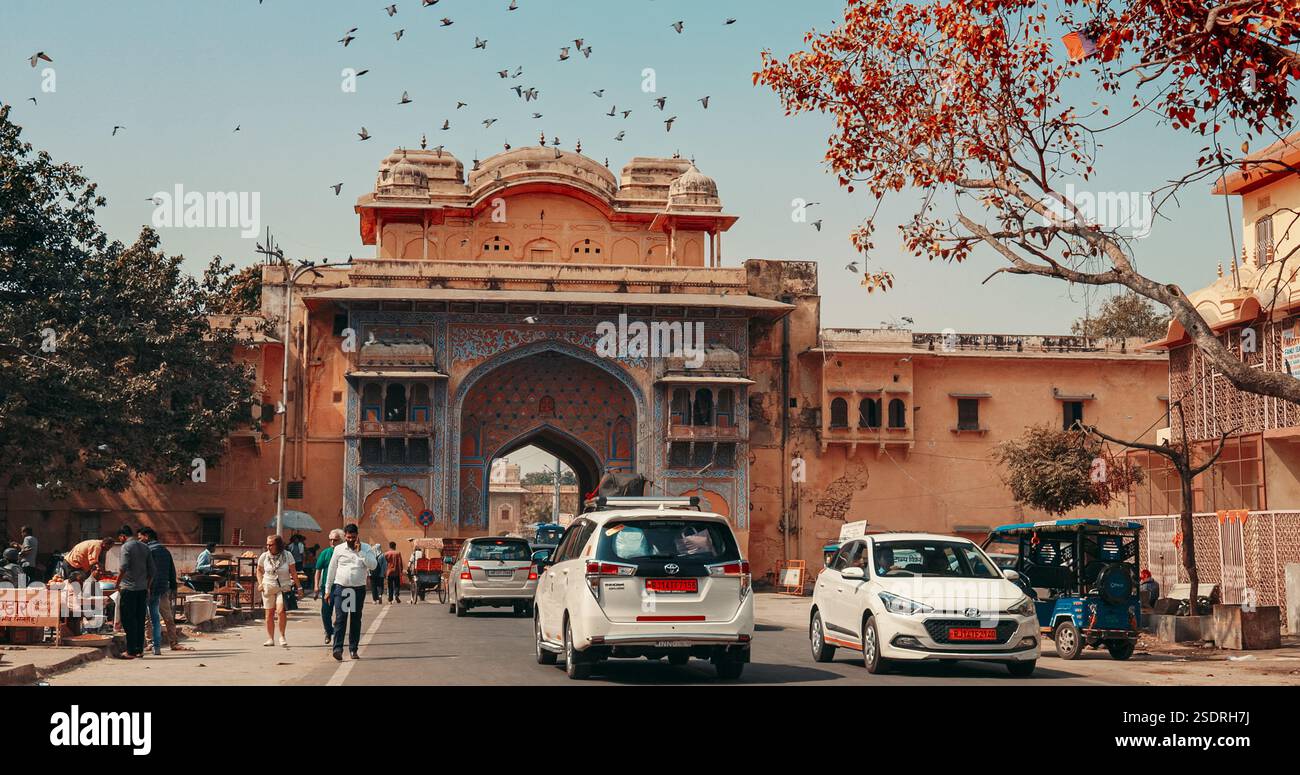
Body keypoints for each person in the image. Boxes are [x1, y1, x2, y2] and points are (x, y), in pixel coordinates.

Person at [325, 524, 376, 661]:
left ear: (357, 536)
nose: (351, 540)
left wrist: (361, 553)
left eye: (354, 537)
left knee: (355, 620)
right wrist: (327, 590)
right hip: (342, 588)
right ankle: (338, 649)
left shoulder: (366, 548)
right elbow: (332, 569)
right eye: (348, 538)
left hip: (357, 589)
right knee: (341, 619)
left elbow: (373, 565)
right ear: (345, 537)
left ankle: (353, 649)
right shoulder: (339, 549)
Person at [116, 527, 155, 659]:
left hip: (128, 589)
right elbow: (152, 571)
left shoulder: (126, 547)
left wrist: (117, 584)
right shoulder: (145, 547)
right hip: (142, 589)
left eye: (119, 538)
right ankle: (139, 650)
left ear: (122, 536)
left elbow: (123, 567)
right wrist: (147, 587)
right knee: (139, 619)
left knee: (128, 620)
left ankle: (131, 651)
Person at [140, 528, 179, 654]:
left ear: (146, 536)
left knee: (148, 619)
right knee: (167, 617)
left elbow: (146, 571)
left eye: (140, 537)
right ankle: (173, 642)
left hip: (150, 589)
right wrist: (174, 587)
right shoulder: (165, 551)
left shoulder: (147, 551)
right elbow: (172, 571)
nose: (140, 540)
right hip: (163, 589)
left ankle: (151, 643)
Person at [256, 535, 299, 648]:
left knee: (280, 611)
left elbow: (293, 572)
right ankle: (270, 638)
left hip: (283, 587)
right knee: (269, 614)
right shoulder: (264, 556)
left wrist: (299, 587)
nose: (268, 547)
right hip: (268, 587)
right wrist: (260, 583)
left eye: (271, 545)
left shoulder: (287, 555)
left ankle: (282, 636)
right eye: (267, 544)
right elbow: (259, 571)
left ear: (278, 545)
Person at [316, 529, 343, 644]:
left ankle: (337, 633)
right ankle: (328, 631)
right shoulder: (325, 553)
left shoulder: (344, 552)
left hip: (341, 586)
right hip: (327, 587)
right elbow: (318, 569)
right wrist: (316, 586)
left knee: (340, 613)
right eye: (330, 540)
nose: (332, 542)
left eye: (335, 540)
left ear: (341, 541)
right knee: (326, 611)